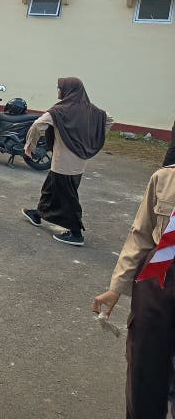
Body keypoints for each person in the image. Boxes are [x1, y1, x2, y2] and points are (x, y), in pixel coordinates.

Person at [92, 161, 175, 418]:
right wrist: (116, 287)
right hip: (157, 285)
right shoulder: (164, 179)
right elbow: (140, 235)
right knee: (145, 373)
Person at [21, 78, 112, 246]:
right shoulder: (92, 110)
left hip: (63, 160)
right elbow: (109, 119)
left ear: (67, 91)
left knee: (67, 195)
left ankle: (76, 233)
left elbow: (37, 125)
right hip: (79, 160)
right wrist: (92, 138)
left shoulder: (59, 111)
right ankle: (38, 214)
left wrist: (30, 146)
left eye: (59, 88)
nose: (58, 91)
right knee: (50, 188)